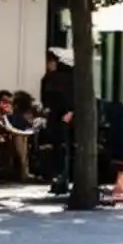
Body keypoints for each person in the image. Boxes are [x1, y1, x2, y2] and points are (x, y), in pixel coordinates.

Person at [40, 48, 74, 195]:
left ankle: (61, 179)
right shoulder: (57, 78)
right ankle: (60, 179)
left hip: (61, 116)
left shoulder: (55, 78)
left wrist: (70, 112)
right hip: (59, 116)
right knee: (61, 149)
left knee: (62, 149)